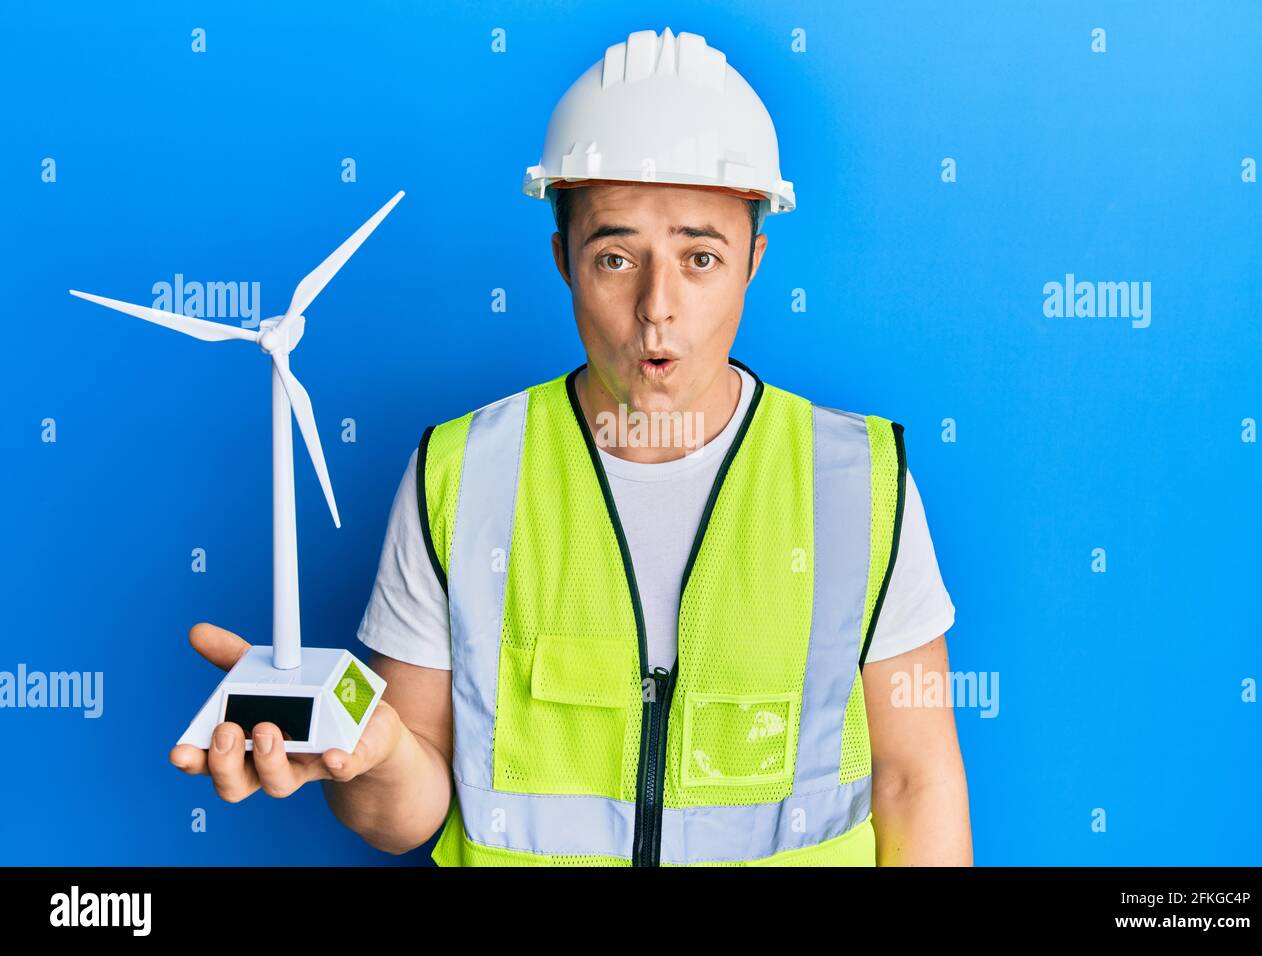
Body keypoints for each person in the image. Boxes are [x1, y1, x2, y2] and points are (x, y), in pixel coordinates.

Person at [171, 26, 972, 866]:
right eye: (615, 256)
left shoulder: (855, 482)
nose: (657, 306)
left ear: (753, 262)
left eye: (700, 257)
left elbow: (916, 784)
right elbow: (398, 817)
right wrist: (368, 760)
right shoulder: (463, 474)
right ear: (561, 260)